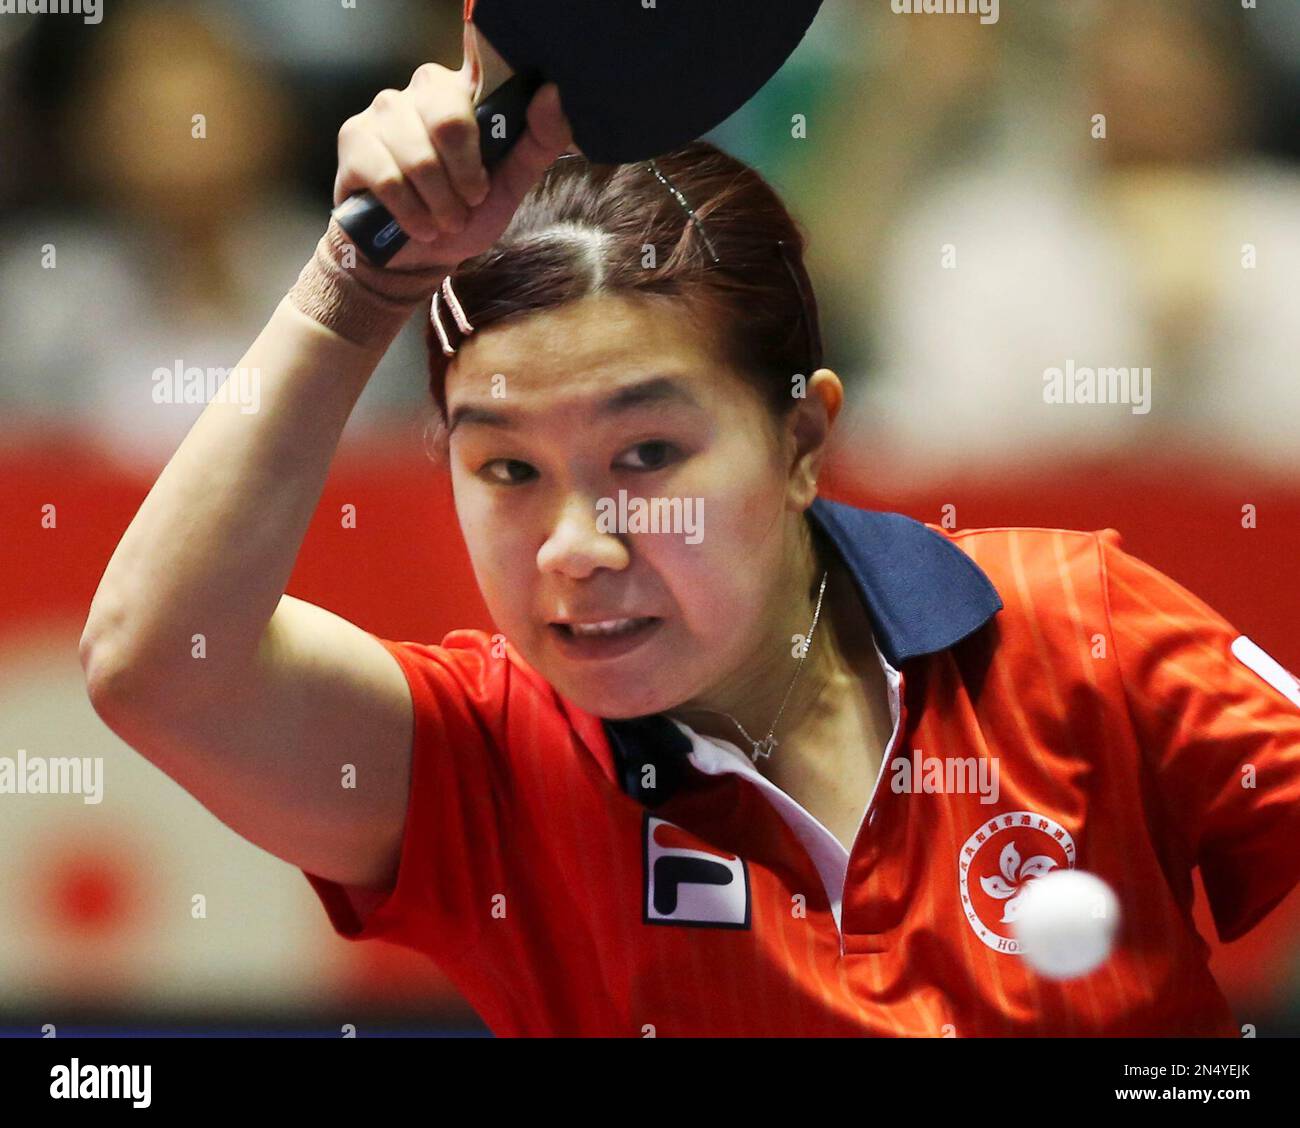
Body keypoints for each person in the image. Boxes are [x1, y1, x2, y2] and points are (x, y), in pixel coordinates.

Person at [80, 54, 1300, 1037]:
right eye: (507, 468)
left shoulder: (1066, 622)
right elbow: (155, 661)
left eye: (646, 456)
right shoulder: (492, 763)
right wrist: (356, 284)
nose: (576, 546)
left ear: (801, 439)